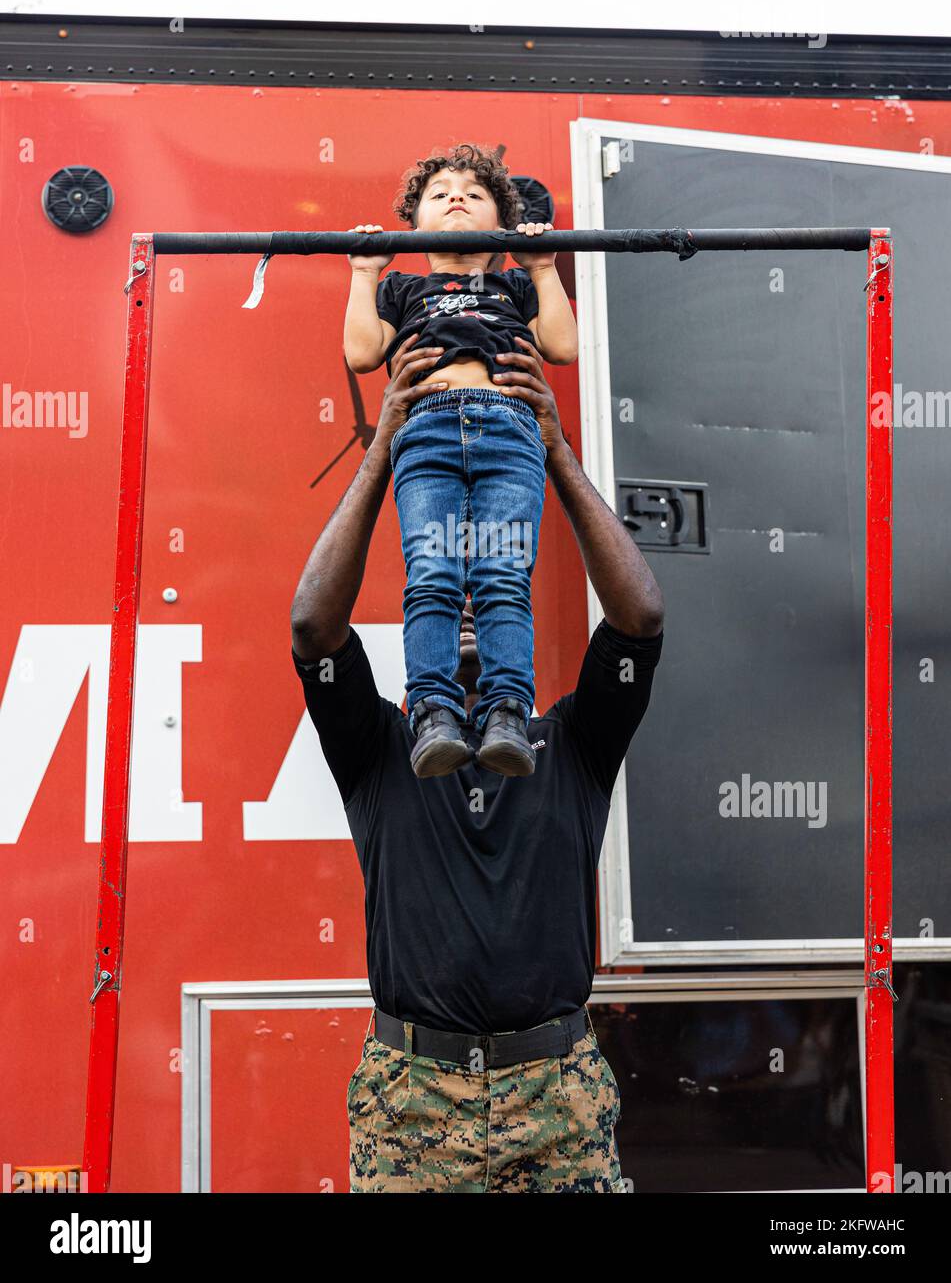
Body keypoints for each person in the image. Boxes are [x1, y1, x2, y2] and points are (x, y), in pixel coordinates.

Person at [290, 340, 665, 1193]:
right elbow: (314, 625)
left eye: (484, 595)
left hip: (557, 1096)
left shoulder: (571, 746)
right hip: (413, 1099)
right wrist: (385, 445)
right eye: (442, 595)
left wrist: (554, 452)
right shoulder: (378, 752)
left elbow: (639, 615)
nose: (465, 597)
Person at [343, 142, 578, 779]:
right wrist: (363, 277)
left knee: (503, 574)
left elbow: (562, 346)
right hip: (427, 432)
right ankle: (434, 714)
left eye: (474, 194)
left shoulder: (513, 284)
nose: (455, 198)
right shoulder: (400, 287)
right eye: (440, 192)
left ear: (501, 222)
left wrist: (546, 269)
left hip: (508, 432)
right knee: (433, 575)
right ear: (414, 223)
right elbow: (364, 355)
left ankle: (506, 713)